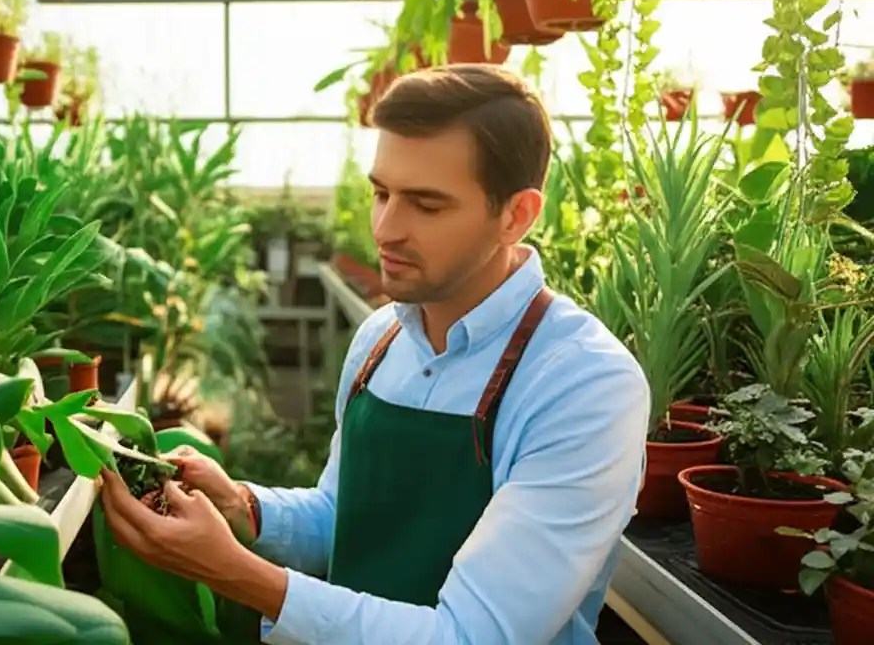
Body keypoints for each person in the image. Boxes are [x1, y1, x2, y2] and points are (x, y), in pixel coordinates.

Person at [99, 64, 650, 644]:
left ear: (516, 215)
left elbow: (472, 636)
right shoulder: (381, 340)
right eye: (381, 194)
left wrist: (235, 573)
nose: (386, 229)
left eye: (426, 205)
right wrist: (244, 507)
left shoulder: (583, 384)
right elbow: (345, 517)